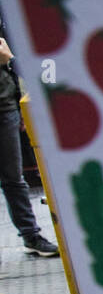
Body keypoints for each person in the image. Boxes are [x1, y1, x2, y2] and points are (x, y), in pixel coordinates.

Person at [0, 20, 59, 259]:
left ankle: (31, 235)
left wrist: (20, 100)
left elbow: (9, 57)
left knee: (14, 178)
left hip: (5, 107)